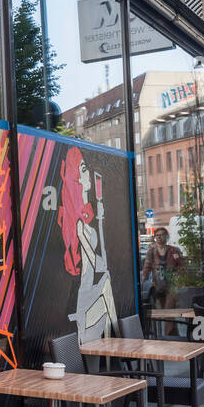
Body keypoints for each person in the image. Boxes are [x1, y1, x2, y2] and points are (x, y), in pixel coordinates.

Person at [58, 146, 118, 342]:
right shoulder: (78, 225)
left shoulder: (85, 219)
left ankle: (117, 353)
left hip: (91, 291)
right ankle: (120, 352)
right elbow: (94, 262)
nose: (89, 176)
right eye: (83, 170)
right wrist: (105, 269)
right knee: (107, 285)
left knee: (107, 288)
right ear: (75, 177)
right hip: (85, 298)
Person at [141, 227, 184, 327]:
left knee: (168, 313)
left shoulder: (174, 250)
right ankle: (172, 336)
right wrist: (143, 279)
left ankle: (167, 338)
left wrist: (178, 276)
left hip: (171, 286)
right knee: (164, 314)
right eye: (157, 235)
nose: (159, 237)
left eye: (162, 235)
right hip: (158, 286)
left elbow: (181, 265)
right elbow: (147, 266)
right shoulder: (151, 252)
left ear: (166, 237)